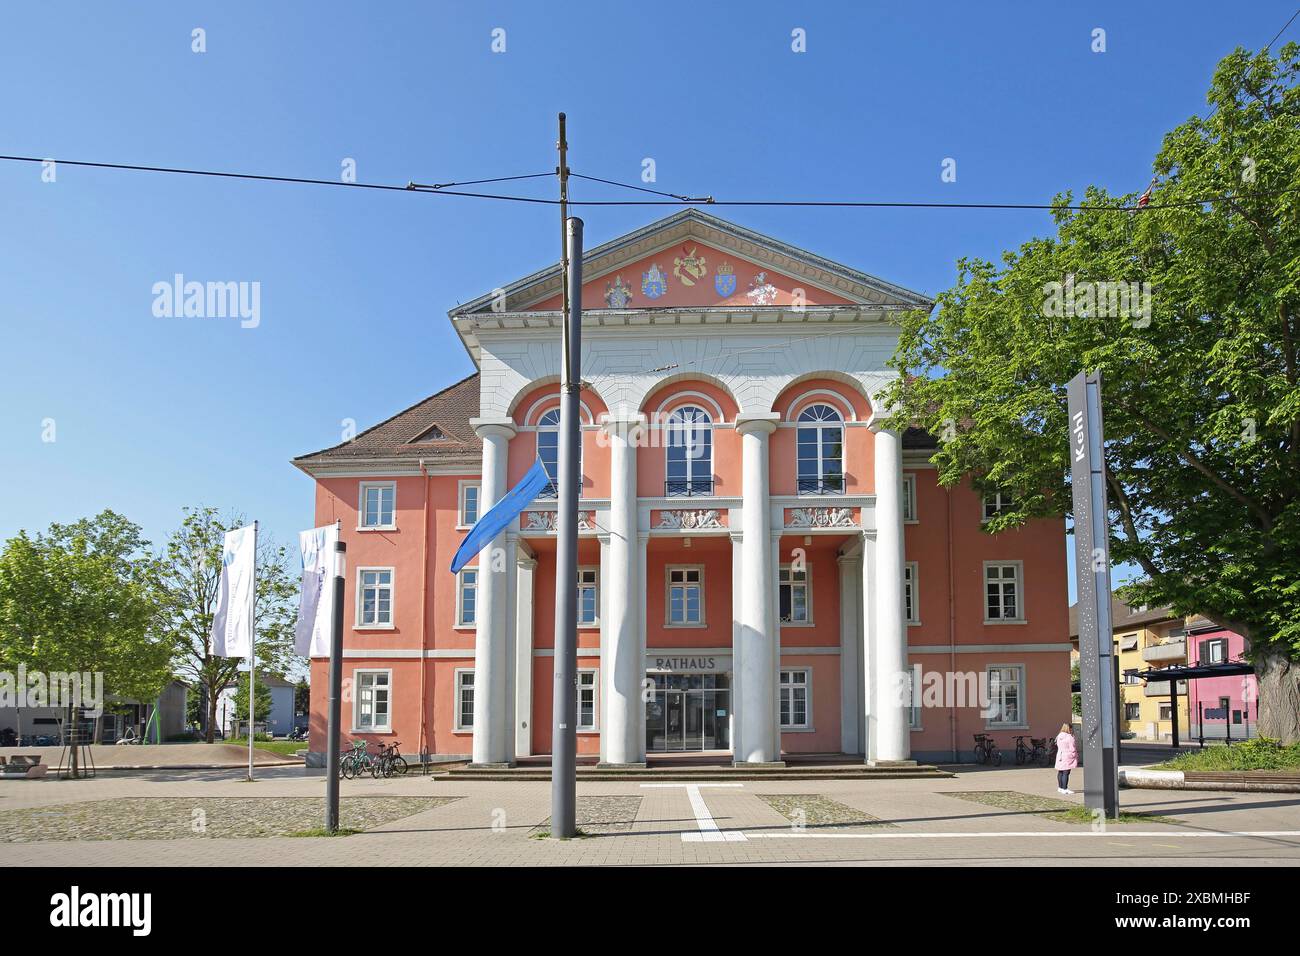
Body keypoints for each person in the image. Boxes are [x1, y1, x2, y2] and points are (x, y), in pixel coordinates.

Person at [1055, 722, 1078, 794]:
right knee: (1066, 772)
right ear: (1069, 728)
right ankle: (1065, 788)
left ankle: (1060, 787)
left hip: (1060, 755)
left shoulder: (1059, 736)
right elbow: (1072, 747)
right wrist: (1075, 754)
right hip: (1067, 755)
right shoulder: (1069, 737)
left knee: (1060, 771)